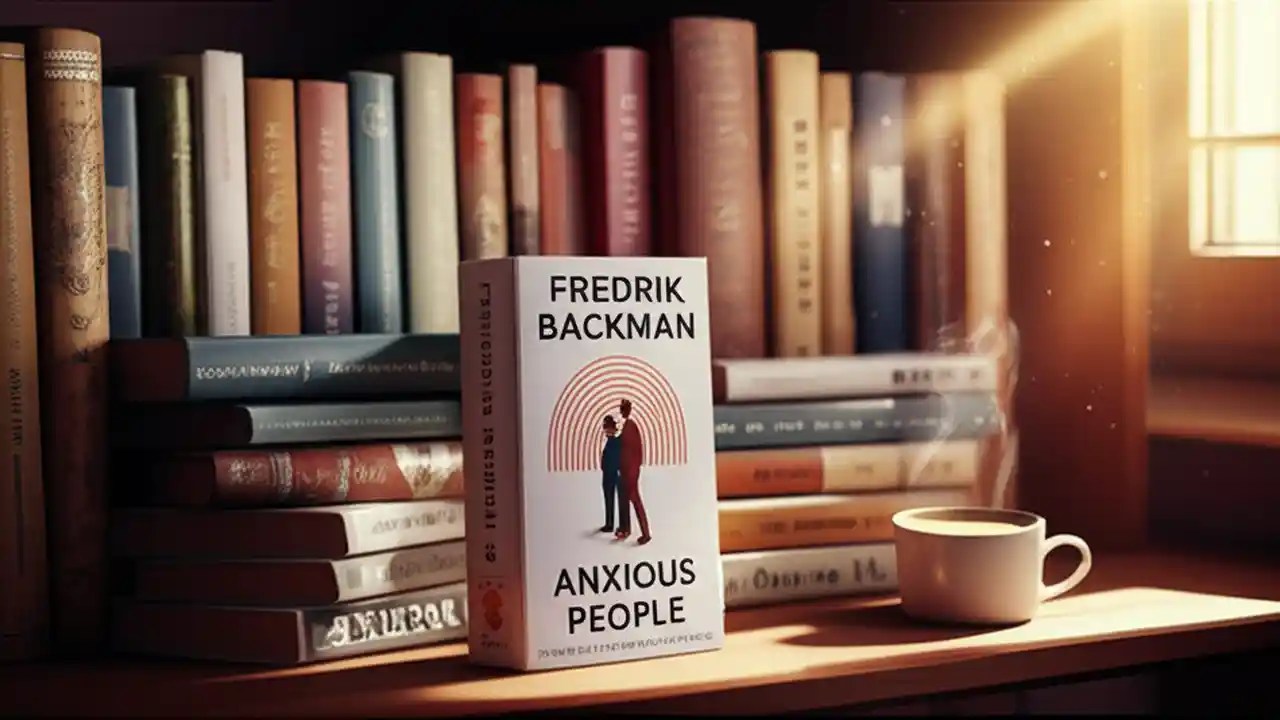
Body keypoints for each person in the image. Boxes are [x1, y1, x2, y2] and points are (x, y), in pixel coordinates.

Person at [616, 398, 651, 545]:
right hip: (629, 470)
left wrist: (631, 469)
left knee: (635, 500)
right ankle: (627, 529)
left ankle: (645, 533)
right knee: (628, 499)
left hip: (629, 471)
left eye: (622, 408)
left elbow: (631, 451)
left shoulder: (630, 427)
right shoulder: (627, 427)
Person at [598, 414, 626, 534]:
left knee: (618, 500)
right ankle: (609, 524)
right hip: (608, 475)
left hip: (615, 475)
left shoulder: (617, 442)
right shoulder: (610, 441)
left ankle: (619, 525)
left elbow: (618, 459)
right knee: (609, 499)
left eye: (608, 428)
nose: (606, 431)